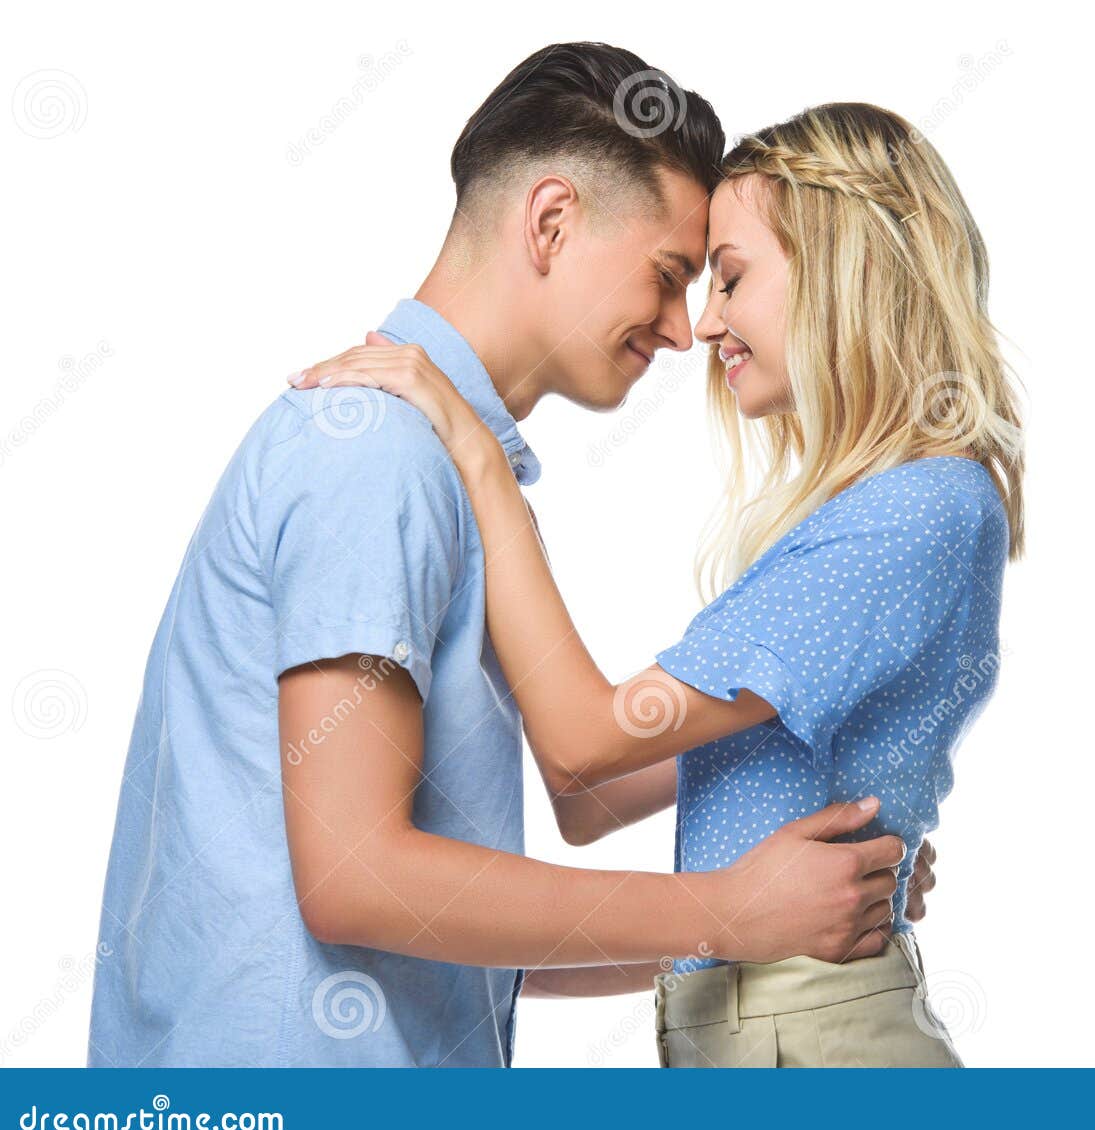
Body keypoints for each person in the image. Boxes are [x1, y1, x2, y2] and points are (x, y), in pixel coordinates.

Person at [89, 43, 935, 1069]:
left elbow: (460, 935)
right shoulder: (377, 455)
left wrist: (785, 913)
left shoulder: (440, 462)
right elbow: (357, 880)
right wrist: (720, 906)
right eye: (670, 276)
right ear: (549, 222)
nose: (682, 331)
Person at [290, 100, 1024, 1067]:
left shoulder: (920, 508)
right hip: (749, 1023)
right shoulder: (865, 520)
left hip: (812, 1034)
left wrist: (477, 458)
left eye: (730, 278)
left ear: (847, 267)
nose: (705, 323)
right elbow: (585, 791)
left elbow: (588, 736)